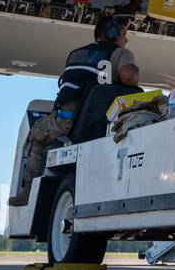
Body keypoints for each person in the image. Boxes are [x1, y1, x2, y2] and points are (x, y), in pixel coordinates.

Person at [9, 16, 140, 205]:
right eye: (124, 34)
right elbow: (129, 76)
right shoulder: (121, 53)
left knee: (37, 131)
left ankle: (29, 190)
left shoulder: (75, 54)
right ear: (112, 32)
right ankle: (29, 191)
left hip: (67, 123)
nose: (125, 40)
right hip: (107, 123)